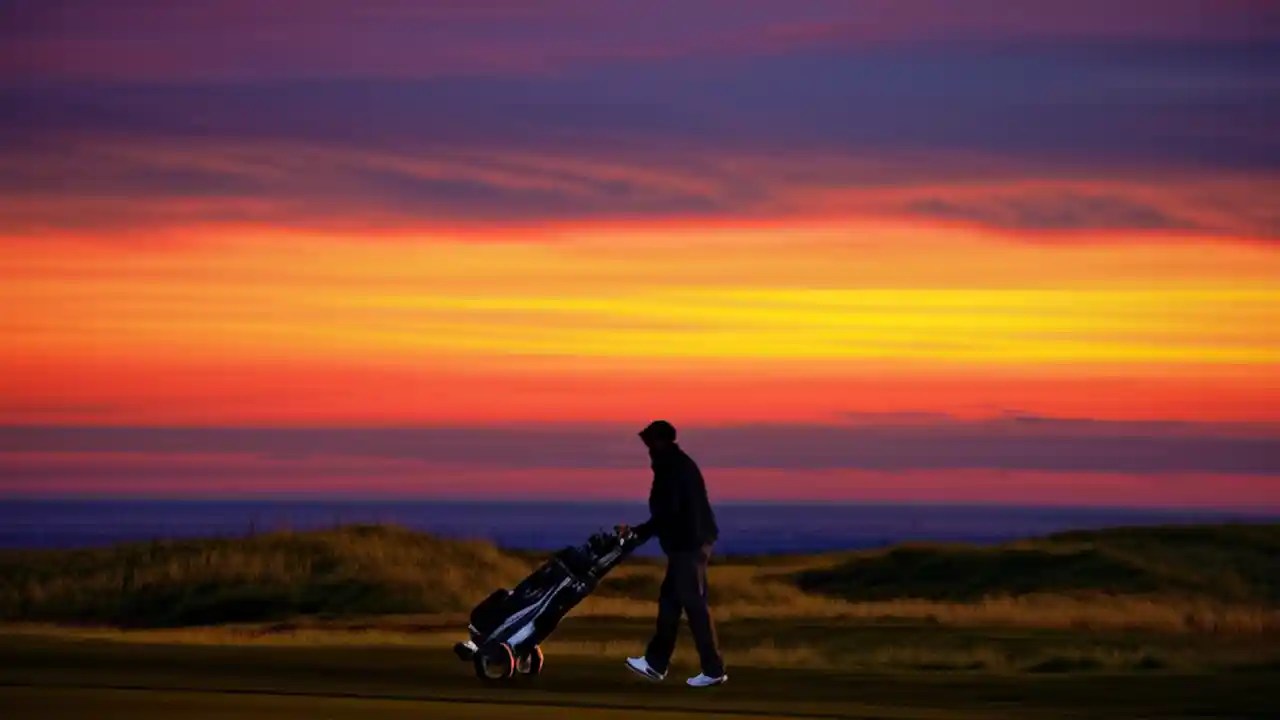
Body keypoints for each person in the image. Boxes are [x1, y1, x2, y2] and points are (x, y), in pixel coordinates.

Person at [618, 420, 727, 688]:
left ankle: (713, 669)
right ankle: (656, 663)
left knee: (693, 603)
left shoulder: (672, 467)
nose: (647, 449)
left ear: (659, 442)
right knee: (670, 602)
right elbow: (668, 513)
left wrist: (637, 534)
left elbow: (668, 513)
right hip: (691, 541)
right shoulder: (675, 464)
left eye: (650, 442)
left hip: (687, 544)